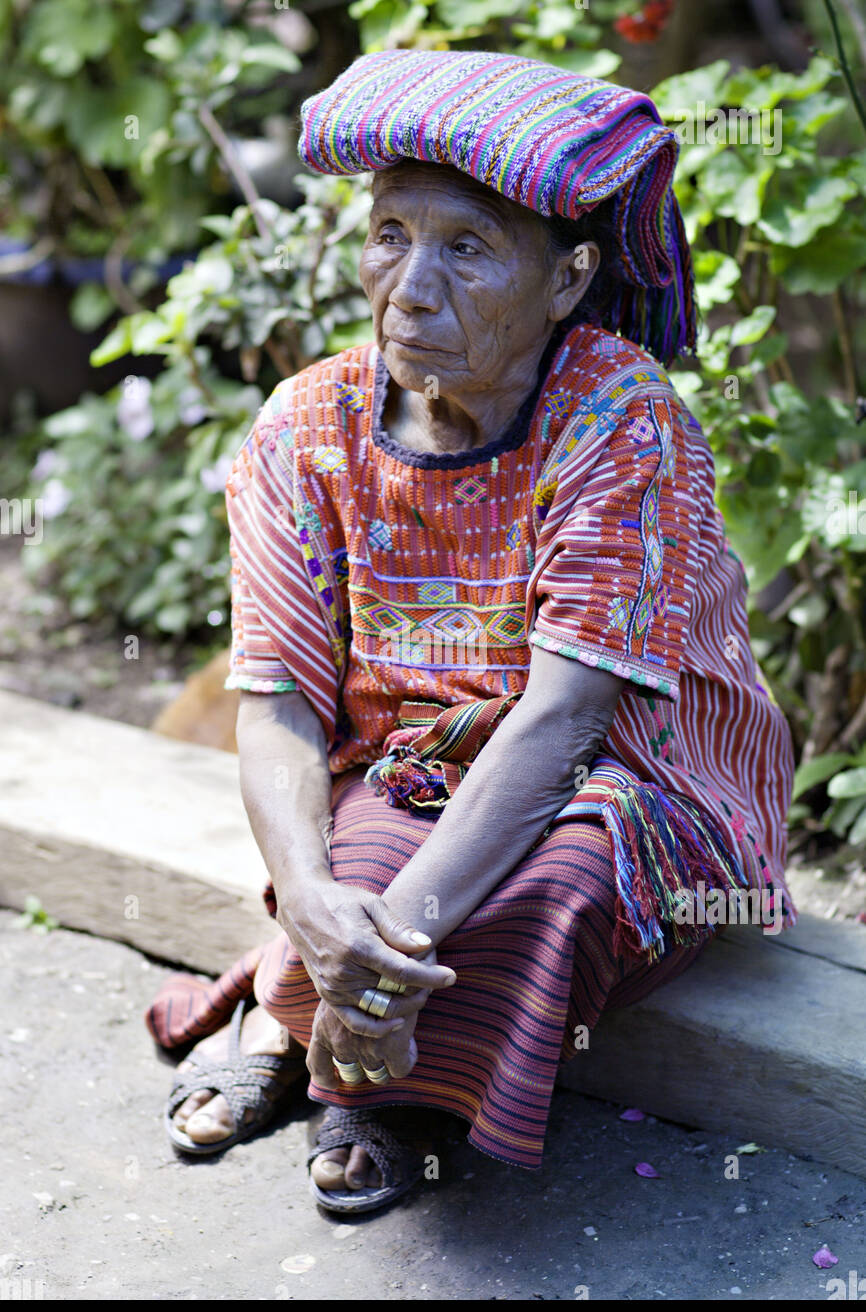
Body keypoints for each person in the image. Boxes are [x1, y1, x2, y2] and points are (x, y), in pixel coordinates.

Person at [146, 49, 797, 1214]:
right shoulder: (308, 425)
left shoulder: (620, 419)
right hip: (403, 773)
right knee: (350, 852)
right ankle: (317, 1014)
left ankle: (351, 1069)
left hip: (630, 778)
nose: (409, 286)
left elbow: (561, 722)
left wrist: (376, 958)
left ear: (565, 282)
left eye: (466, 248)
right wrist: (310, 899)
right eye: (390, 233)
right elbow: (279, 705)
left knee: (561, 878)